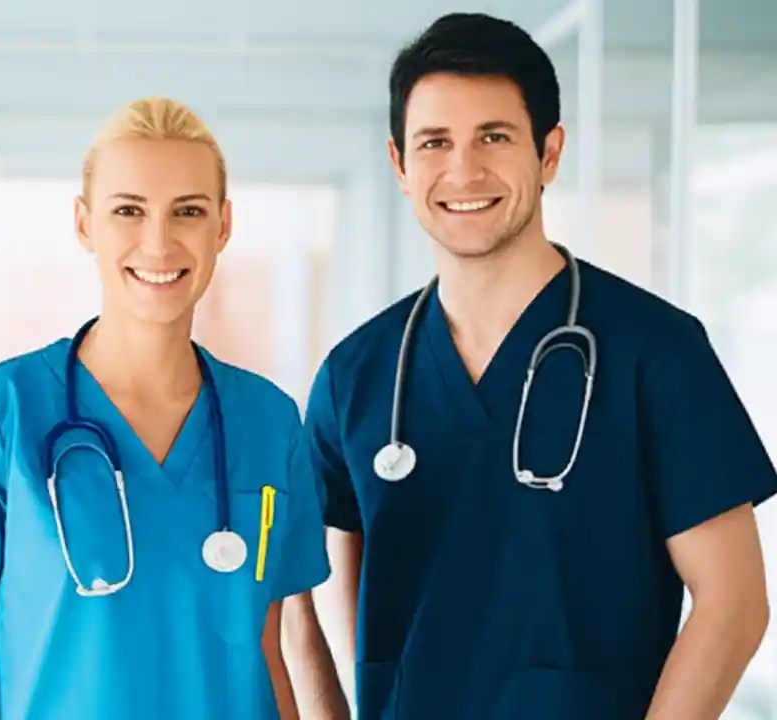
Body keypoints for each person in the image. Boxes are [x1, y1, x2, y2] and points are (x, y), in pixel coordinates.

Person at [299, 12, 776, 719]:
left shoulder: (656, 350)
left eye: (494, 137)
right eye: (435, 143)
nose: (464, 170)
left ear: (549, 152)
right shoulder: (356, 374)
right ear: (400, 164)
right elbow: (308, 589)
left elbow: (734, 604)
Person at [0, 97, 330, 719]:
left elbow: (267, 652)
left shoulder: (269, 421)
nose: (159, 240)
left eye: (189, 211)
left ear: (223, 226)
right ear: (84, 222)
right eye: (128, 210)